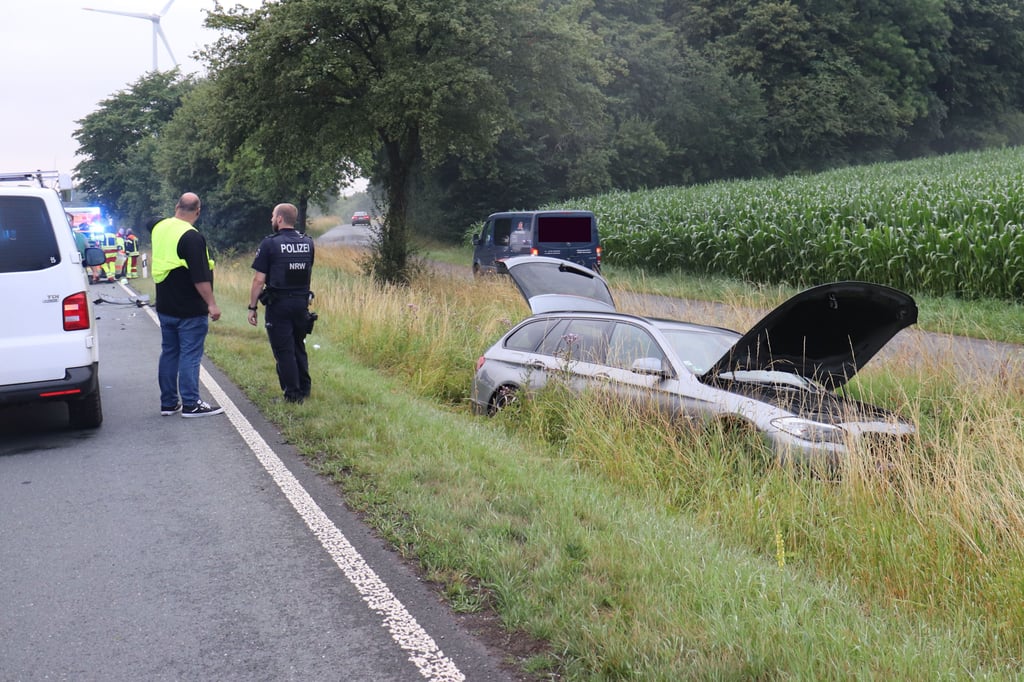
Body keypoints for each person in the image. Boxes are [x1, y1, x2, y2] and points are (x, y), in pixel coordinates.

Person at [152, 192, 224, 418]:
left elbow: (150, 221)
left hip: (165, 304)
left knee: (169, 353)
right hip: (189, 308)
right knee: (190, 356)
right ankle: (191, 404)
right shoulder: (192, 237)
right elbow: (200, 277)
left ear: (176, 207)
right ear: (198, 211)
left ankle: (169, 403)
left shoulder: (160, 227)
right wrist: (211, 304)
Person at [247, 203, 315, 403]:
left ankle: (292, 395)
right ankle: (304, 389)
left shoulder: (270, 244)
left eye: (272, 216)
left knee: (284, 350)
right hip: (302, 304)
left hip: (279, 305)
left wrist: (252, 307)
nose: (270, 220)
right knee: (298, 346)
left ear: (279, 219)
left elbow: (259, 280)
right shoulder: (308, 242)